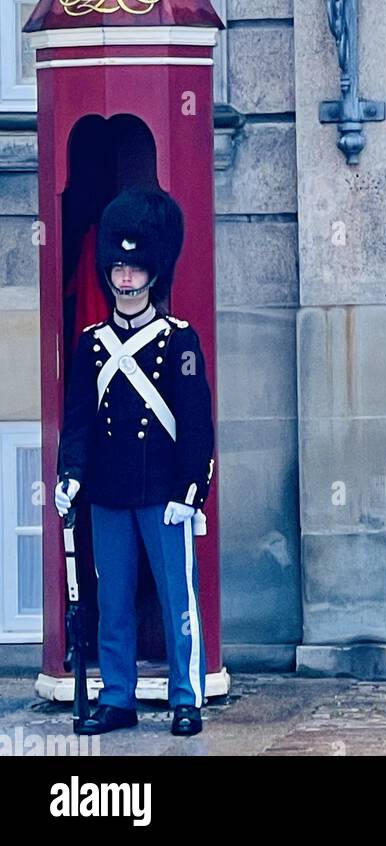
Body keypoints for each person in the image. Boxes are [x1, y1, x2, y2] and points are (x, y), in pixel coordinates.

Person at [53, 188, 215, 737]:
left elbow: (196, 423)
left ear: (152, 272)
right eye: (118, 267)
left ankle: (186, 697)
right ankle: (117, 696)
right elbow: (77, 420)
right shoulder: (91, 345)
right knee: (113, 601)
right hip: (109, 490)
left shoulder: (180, 341)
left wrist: (191, 490)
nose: (125, 278)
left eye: (135, 267)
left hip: (164, 490)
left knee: (178, 602)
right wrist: (69, 475)